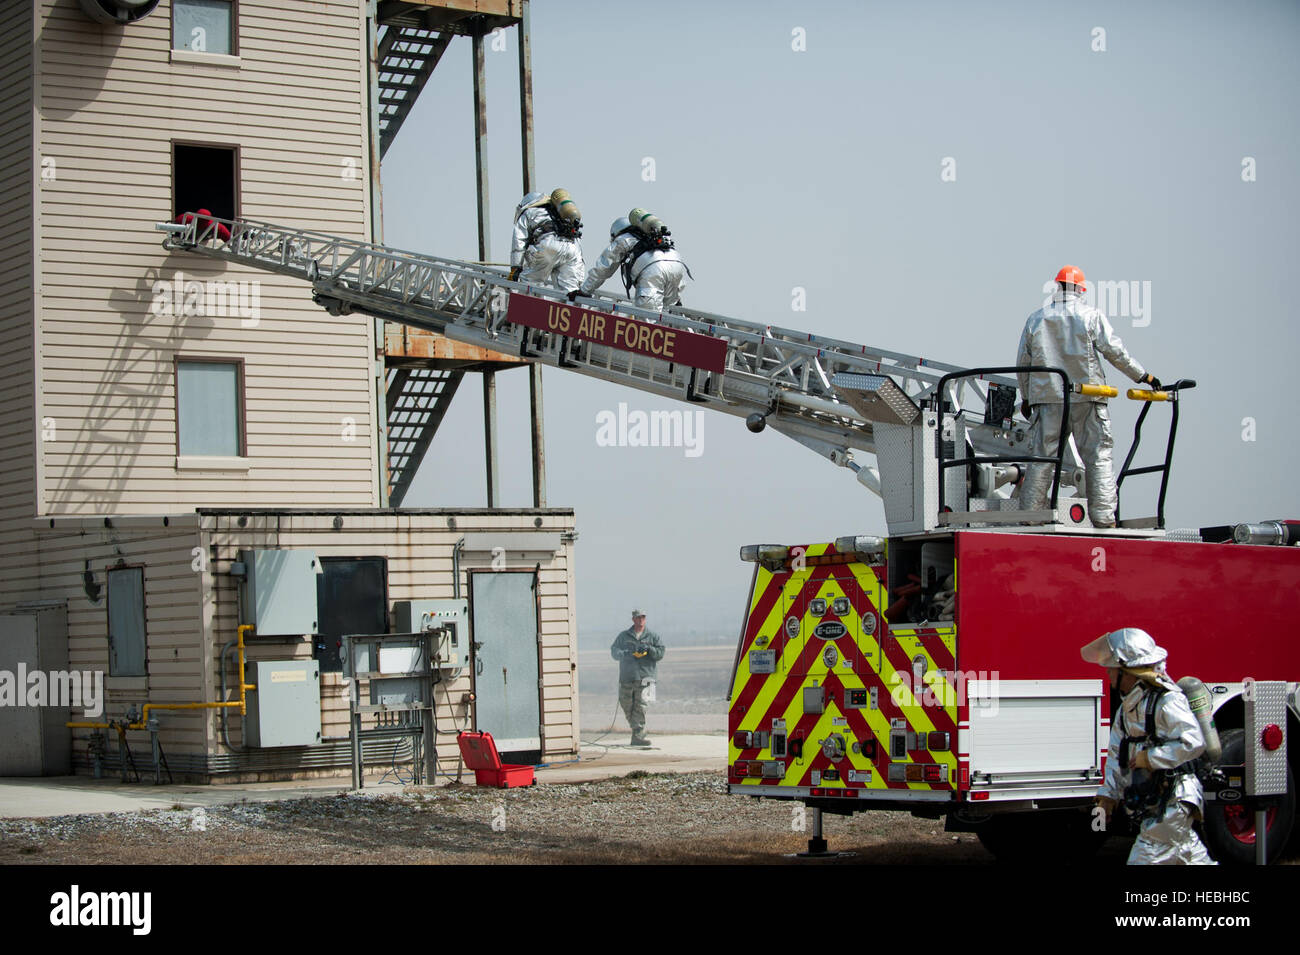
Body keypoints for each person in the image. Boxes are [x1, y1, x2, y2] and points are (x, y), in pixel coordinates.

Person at [1016, 265, 1160, 527]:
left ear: (1058, 286)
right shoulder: (1091, 316)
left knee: (1041, 459)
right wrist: (1143, 377)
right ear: (1081, 289)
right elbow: (1115, 352)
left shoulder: (1036, 319)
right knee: (1097, 456)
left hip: (1048, 400)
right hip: (1088, 397)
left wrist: (1027, 397)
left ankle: (1030, 517)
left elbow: (1023, 363)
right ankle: (1104, 518)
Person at [1081, 627, 1216, 865]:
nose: (1109, 675)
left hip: (1174, 797)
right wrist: (1108, 795)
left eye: (1112, 669)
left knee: (1149, 852)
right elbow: (1116, 754)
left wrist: (1151, 758)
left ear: (1128, 672)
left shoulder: (1167, 700)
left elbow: (1194, 742)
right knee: (1187, 852)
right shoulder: (1126, 709)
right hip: (1155, 800)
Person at [570, 208, 690, 310]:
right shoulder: (653, 238)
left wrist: (584, 290)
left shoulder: (624, 239)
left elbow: (604, 268)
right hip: (676, 263)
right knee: (671, 317)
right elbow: (669, 267)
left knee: (647, 322)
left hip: (653, 272)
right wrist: (676, 296)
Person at [510, 188, 585, 293]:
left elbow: (519, 241)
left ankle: (529, 303)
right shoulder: (559, 213)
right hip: (572, 249)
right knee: (569, 292)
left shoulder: (529, 211)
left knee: (530, 285)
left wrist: (515, 267)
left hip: (548, 246)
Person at [609, 608, 666, 747]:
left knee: (641, 706)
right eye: (638, 617)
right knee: (626, 704)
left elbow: (660, 653)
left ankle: (638, 734)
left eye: (643, 617)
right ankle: (637, 731)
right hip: (628, 676)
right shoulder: (623, 636)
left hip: (647, 677)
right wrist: (625, 653)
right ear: (633, 619)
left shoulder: (653, 636)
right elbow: (614, 651)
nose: (640, 620)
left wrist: (649, 649)